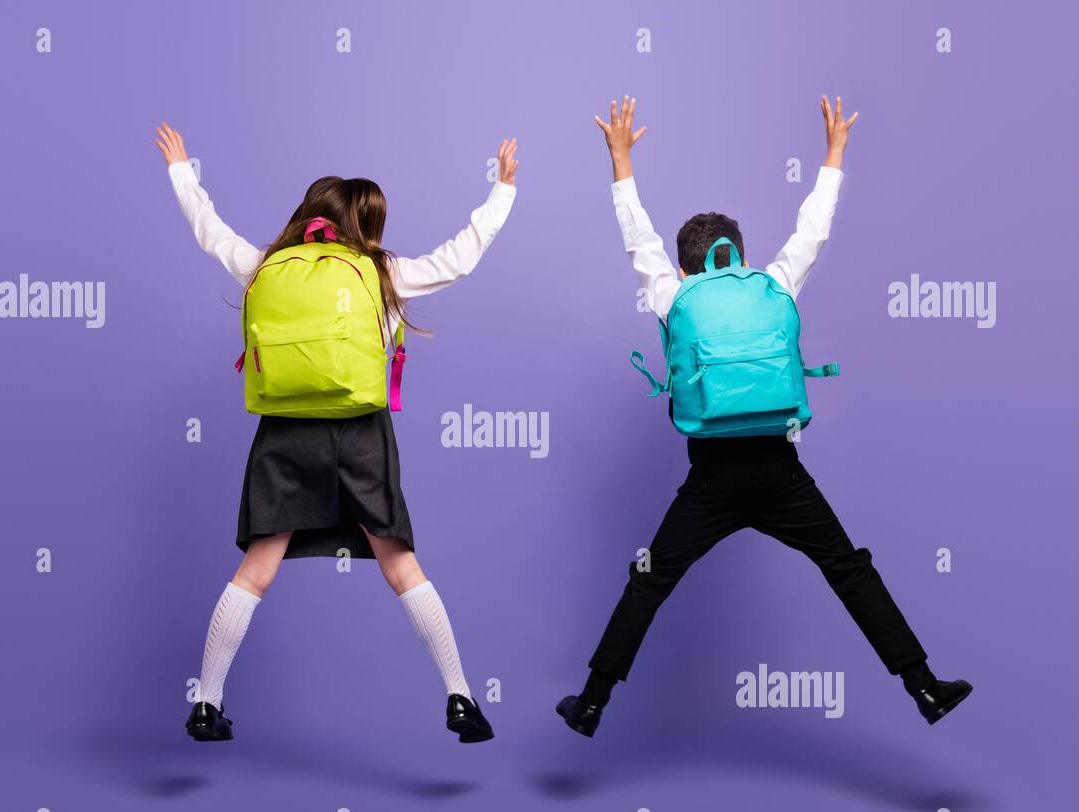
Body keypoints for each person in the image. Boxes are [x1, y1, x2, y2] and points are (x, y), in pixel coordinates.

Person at [556, 96, 971, 737]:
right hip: (781, 471)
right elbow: (813, 230)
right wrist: (834, 153)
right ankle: (925, 688)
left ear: (688, 262)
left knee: (650, 578)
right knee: (848, 568)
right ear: (738, 255)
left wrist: (620, 159)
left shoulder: (673, 294)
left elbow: (636, 238)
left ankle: (590, 702)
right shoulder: (775, 282)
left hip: (712, 478)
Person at [153, 122, 519, 744]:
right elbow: (461, 258)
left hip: (285, 433)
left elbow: (211, 234)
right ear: (367, 225)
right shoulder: (382, 271)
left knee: (256, 569)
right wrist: (502, 191)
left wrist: (183, 171)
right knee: (400, 563)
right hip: (361, 434)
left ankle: (206, 703)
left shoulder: (267, 266)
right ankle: (460, 697)